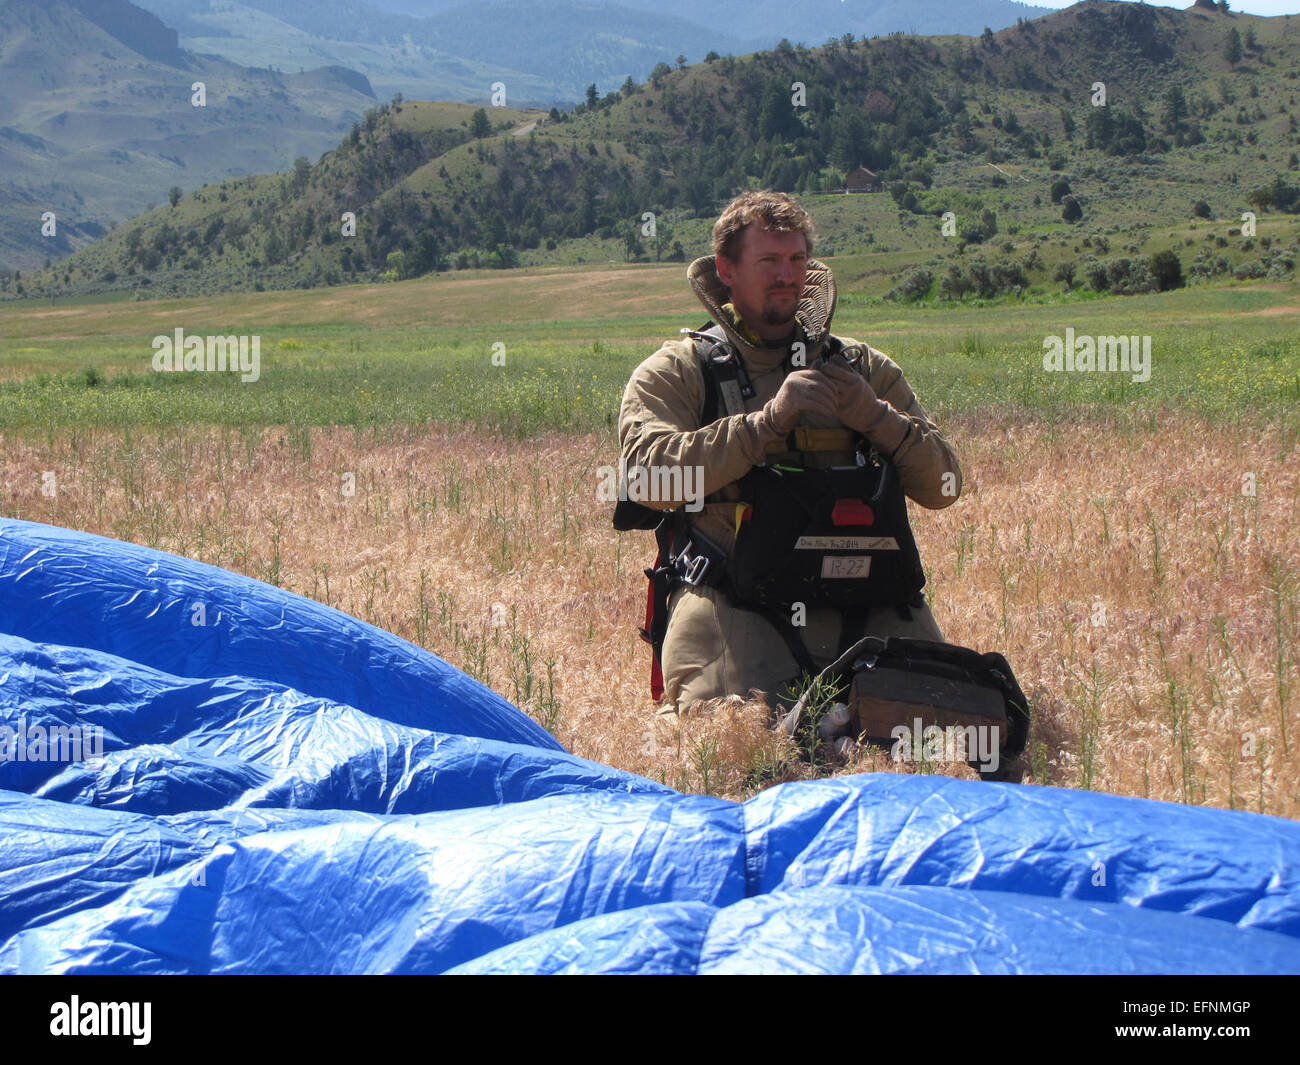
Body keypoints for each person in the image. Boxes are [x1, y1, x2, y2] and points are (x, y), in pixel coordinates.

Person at [618, 191, 962, 714]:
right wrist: (765, 425)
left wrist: (874, 417)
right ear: (726, 270)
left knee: (959, 722)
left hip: (871, 598)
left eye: (797, 259)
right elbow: (648, 482)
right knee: (729, 743)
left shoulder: (863, 370)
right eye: (769, 261)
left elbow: (944, 488)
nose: (787, 275)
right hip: (734, 599)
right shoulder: (681, 371)